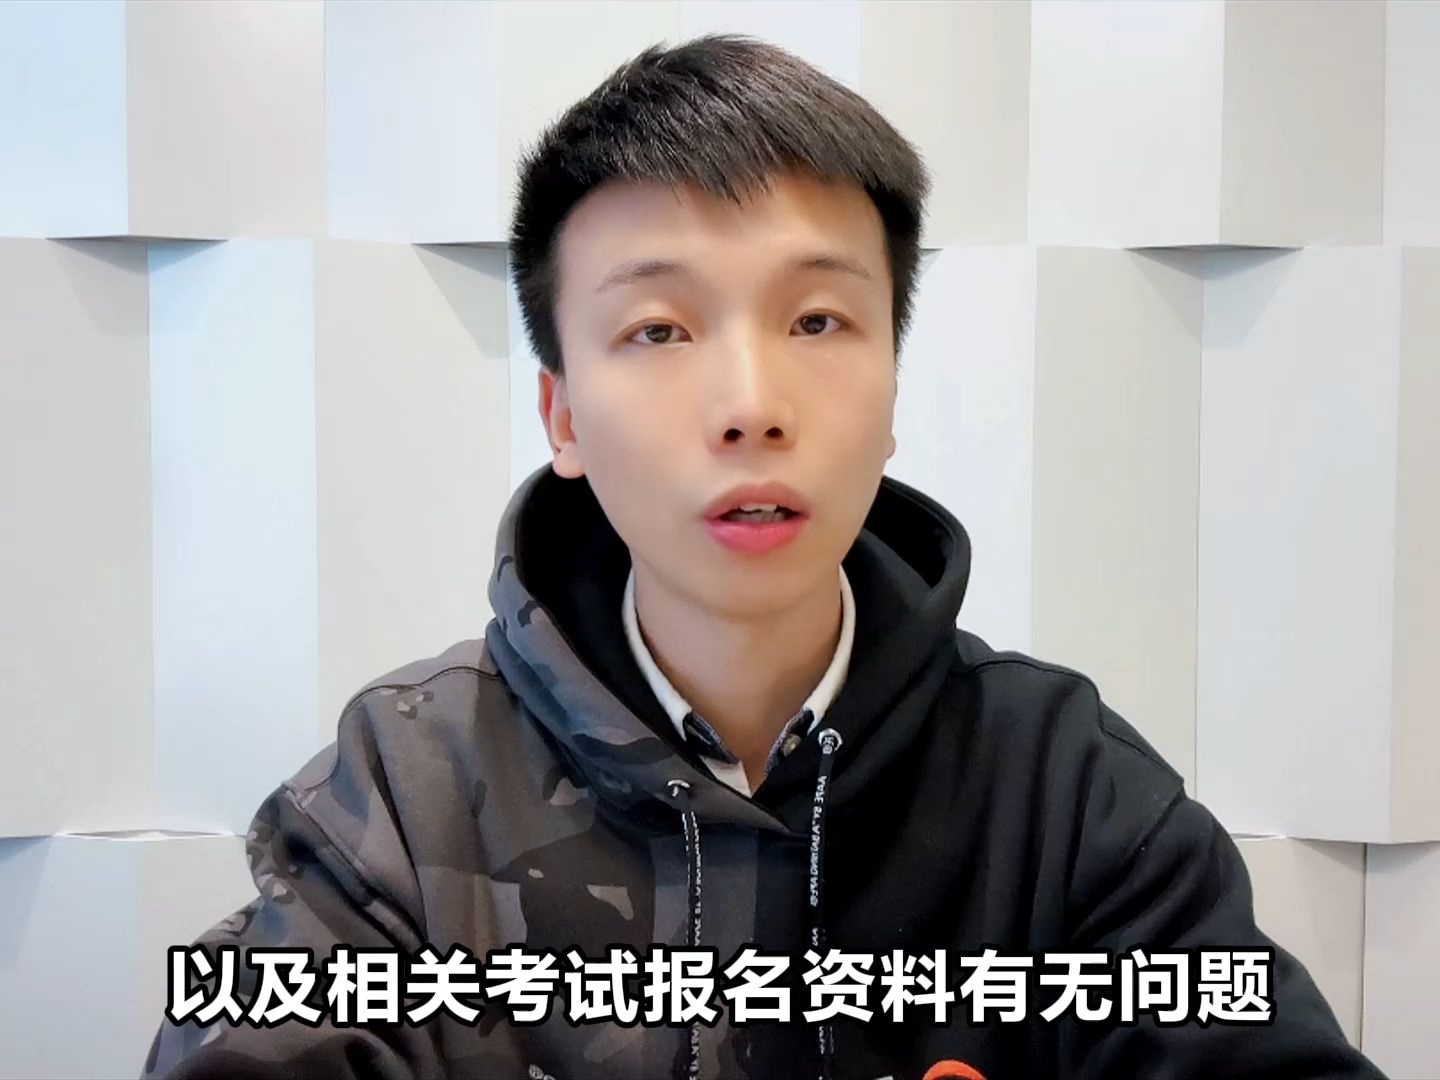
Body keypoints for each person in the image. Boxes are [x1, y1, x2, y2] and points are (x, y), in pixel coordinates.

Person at [143, 34, 1385, 1080]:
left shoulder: (1063, 791)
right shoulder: (405, 795)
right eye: (659, 328)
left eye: (818, 319)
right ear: (562, 415)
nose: (750, 405)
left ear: (893, 389)